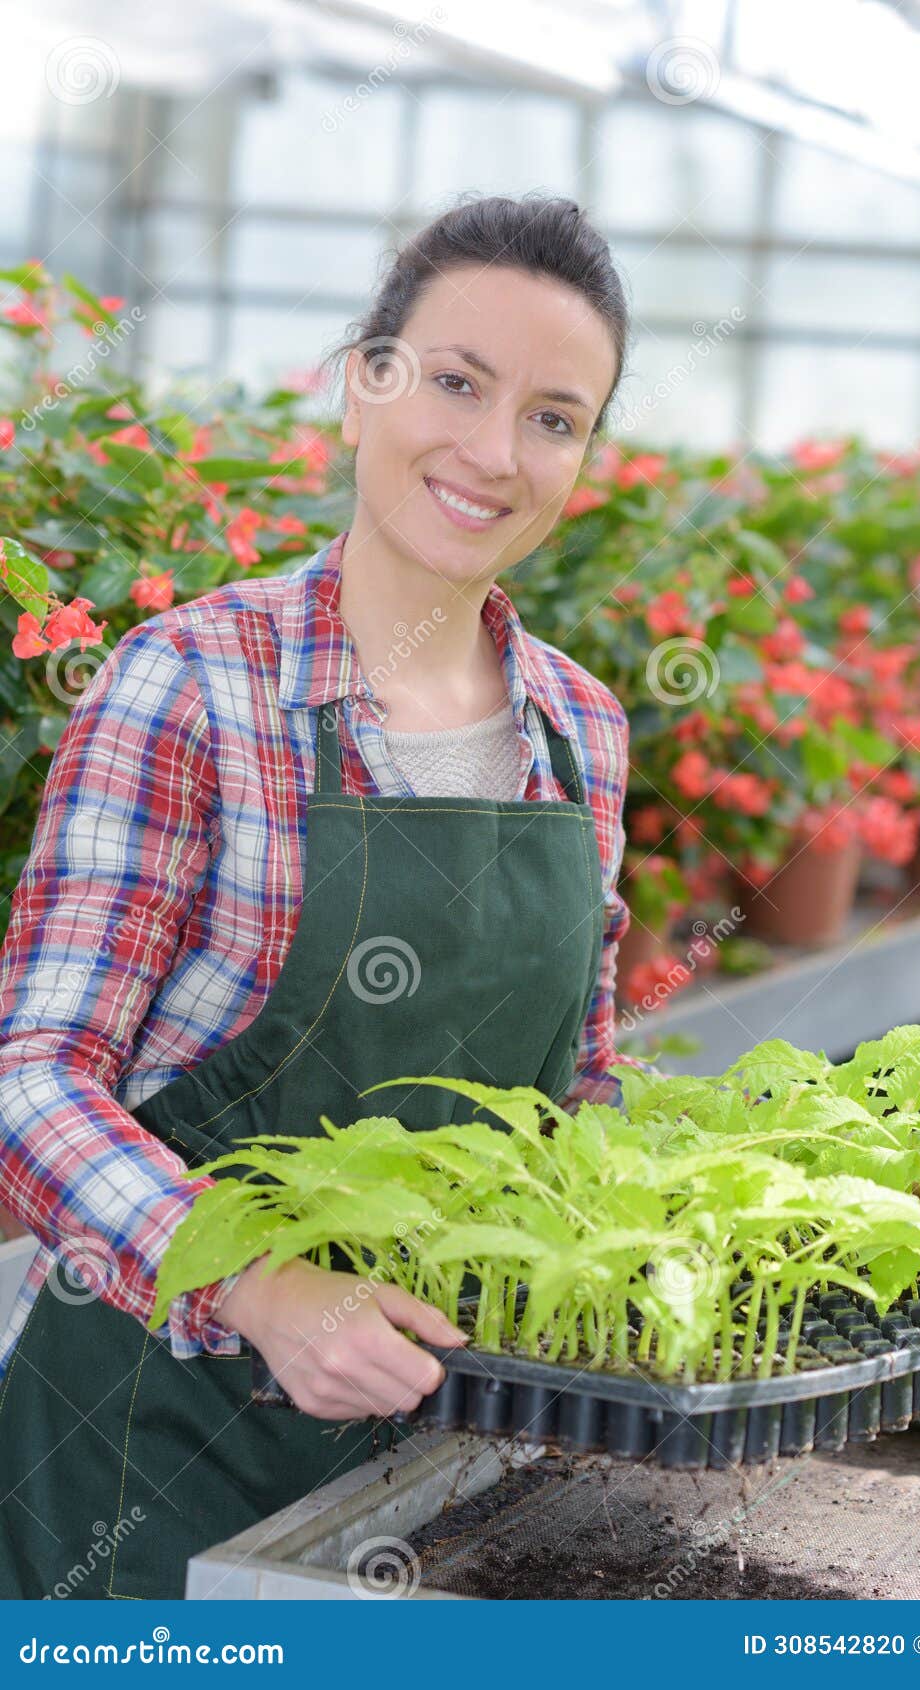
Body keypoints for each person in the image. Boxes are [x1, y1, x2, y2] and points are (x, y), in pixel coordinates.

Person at [0, 193, 657, 1599]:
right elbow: (34, 1082)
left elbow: (580, 1091)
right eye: (458, 383)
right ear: (366, 383)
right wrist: (256, 1286)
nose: (494, 452)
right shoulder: (191, 686)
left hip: (458, 1458)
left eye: (554, 416)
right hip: (149, 1466)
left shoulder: (582, 733)